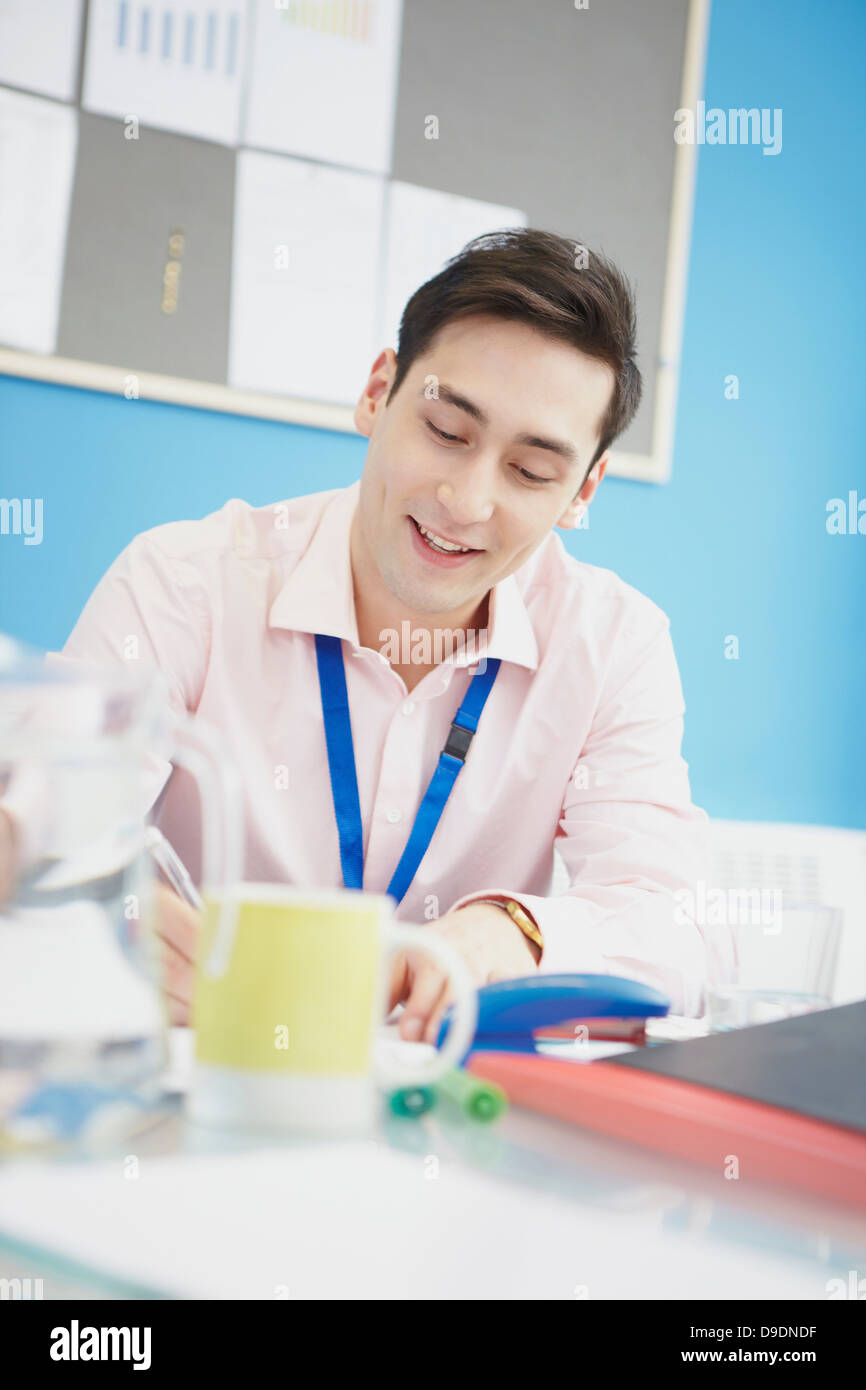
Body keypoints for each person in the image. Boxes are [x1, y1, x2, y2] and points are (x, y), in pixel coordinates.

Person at [4, 228, 712, 1040]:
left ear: (583, 489)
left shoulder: (614, 644)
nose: (465, 501)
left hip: (442, 1122)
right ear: (379, 392)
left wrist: (517, 931)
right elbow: (32, 820)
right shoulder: (185, 583)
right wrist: (107, 918)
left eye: (532, 472)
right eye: (447, 430)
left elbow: (678, 931)